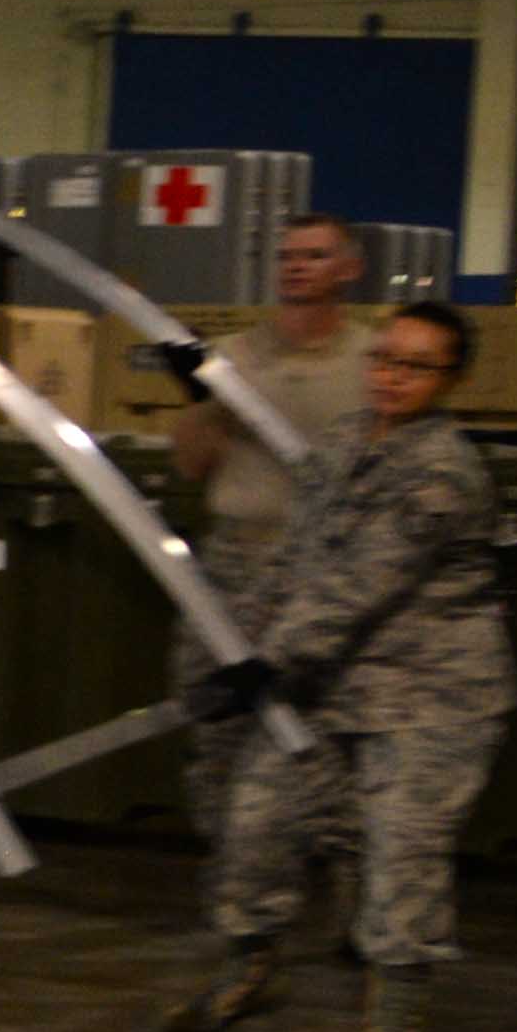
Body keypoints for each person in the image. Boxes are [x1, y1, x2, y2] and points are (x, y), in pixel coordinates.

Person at [171, 300, 515, 1032]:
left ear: (453, 378)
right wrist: (236, 647)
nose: (392, 376)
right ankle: (251, 966)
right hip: (325, 683)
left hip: (432, 693)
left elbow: (362, 584)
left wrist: (270, 663)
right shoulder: (340, 443)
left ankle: (396, 1017)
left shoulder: (444, 471)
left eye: (416, 365)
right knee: (256, 818)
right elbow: (295, 562)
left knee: (403, 850)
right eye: (384, 359)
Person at [155, 212, 373, 850]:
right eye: (287, 256)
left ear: (350, 269)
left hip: (328, 570)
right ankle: (235, 885)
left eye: (315, 255)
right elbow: (193, 465)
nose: (297, 266)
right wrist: (200, 398)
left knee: (328, 729)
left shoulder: (373, 361)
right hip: (236, 563)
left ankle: (336, 878)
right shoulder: (237, 357)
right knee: (216, 721)